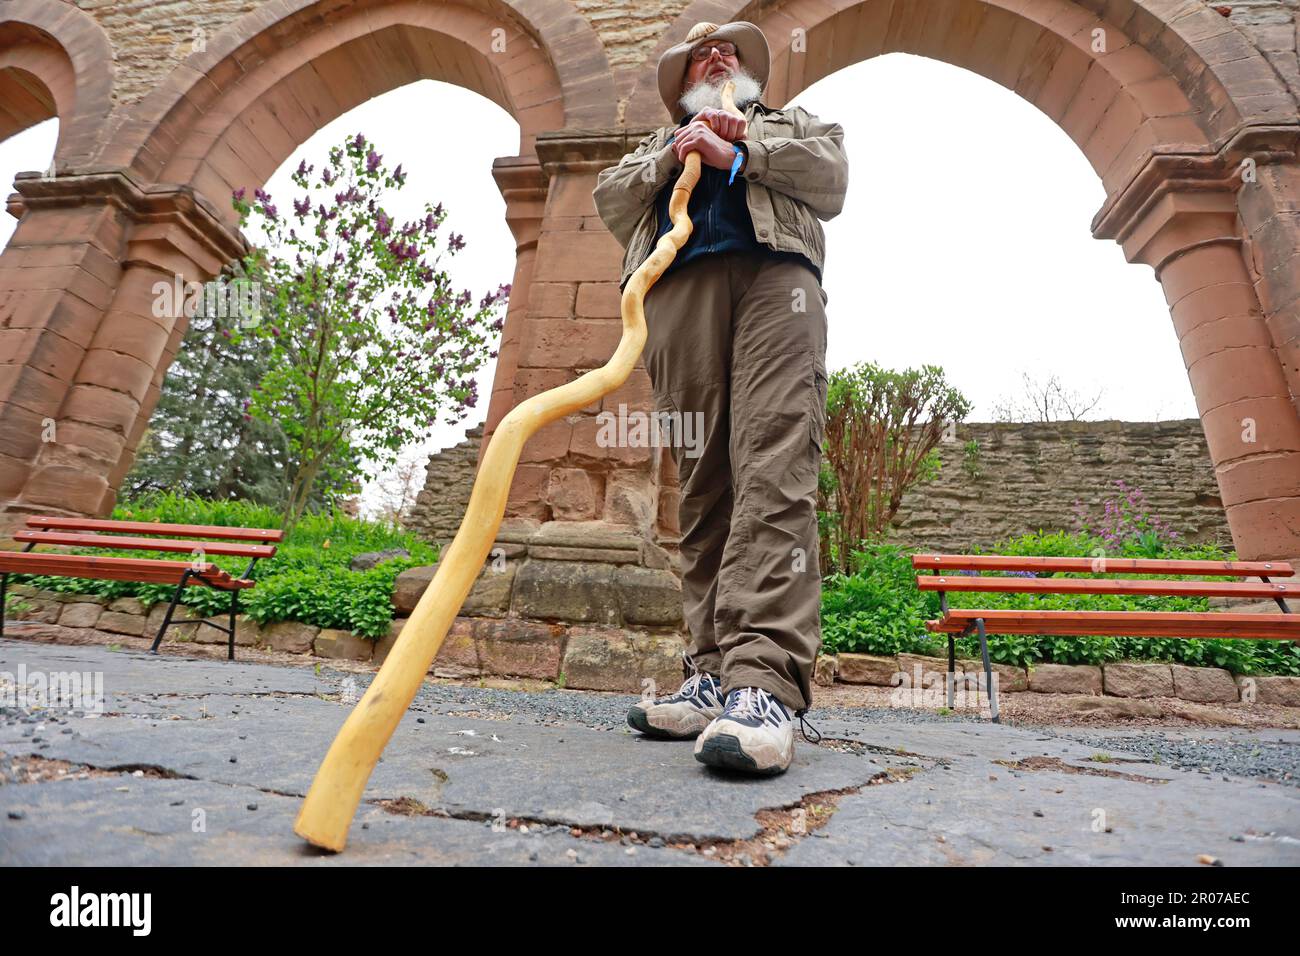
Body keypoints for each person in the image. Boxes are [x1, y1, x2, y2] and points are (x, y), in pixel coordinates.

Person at [592, 21, 849, 775]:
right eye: (702, 55)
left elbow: (831, 178)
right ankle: (709, 676)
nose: (717, 57)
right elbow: (612, 202)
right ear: (679, 86)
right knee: (703, 487)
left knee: (774, 468)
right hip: (679, 299)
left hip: (776, 283)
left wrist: (743, 152)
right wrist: (680, 152)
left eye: (728, 51)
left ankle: (764, 686)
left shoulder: (798, 125)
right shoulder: (656, 145)